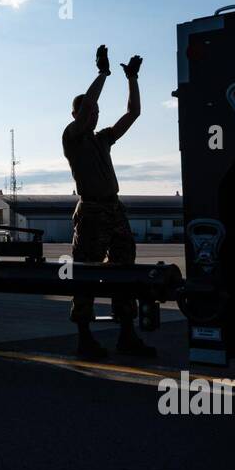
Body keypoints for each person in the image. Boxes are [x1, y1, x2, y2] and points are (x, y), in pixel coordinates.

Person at [62, 45, 156, 361]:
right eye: (89, 113)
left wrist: (132, 78)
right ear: (76, 115)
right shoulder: (71, 139)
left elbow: (133, 113)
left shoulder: (102, 139)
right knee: (86, 274)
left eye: (97, 114)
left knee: (124, 271)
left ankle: (127, 335)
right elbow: (90, 101)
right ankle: (84, 339)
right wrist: (102, 74)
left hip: (113, 210)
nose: (94, 115)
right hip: (90, 212)